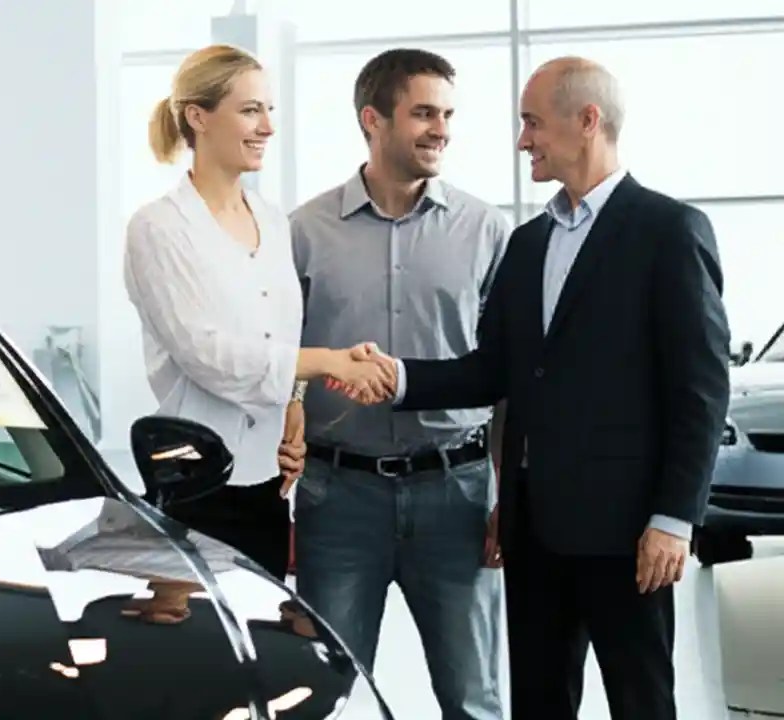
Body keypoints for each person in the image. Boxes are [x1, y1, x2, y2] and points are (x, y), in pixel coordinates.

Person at [346, 57, 731, 720]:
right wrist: (392, 375)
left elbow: (700, 390)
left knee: (642, 703)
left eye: (532, 123)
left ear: (587, 122)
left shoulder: (669, 231)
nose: (523, 140)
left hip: (630, 535)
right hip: (535, 533)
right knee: (539, 706)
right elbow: (491, 371)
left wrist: (674, 518)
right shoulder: (527, 243)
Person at [285, 48, 508, 720]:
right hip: (338, 500)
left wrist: (509, 494)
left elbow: (508, 375)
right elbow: (281, 356)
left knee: (475, 701)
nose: (441, 129)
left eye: (446, 114)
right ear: (372, 120)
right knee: (327, 700)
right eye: (423, 113)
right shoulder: (304, 232)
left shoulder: (486, 230)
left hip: (459, 495)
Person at [122, 44, 391, 585]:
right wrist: (330, 363)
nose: (267, 125)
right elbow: (207, 355)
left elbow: (280, 332)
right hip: (194, 488)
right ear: (198, 117)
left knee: (266, 655)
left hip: (269, 485)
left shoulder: (271, 221)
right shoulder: (158, 227)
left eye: (269, 110)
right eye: (250, 110)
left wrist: (294, 406)